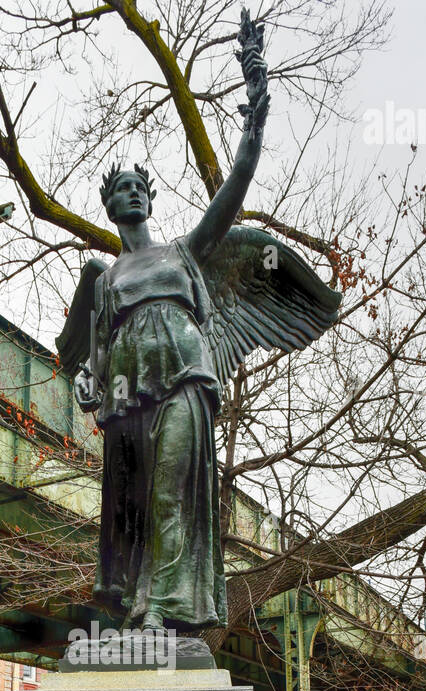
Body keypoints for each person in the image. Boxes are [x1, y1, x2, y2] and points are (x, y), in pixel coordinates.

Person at [56, 9, 340, 636]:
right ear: (108, 204)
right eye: (119, 188)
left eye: (138, 186)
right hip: (131, 396)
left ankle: (167, 608)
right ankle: (137, 604)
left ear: (150, 199)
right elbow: (95, 359)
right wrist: (87, 383)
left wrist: (255, 110)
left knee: (168, 495)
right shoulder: (103, 280)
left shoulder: (187, 253)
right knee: (133, 502)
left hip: (183, 378)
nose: (130, 193)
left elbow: (236, 181)